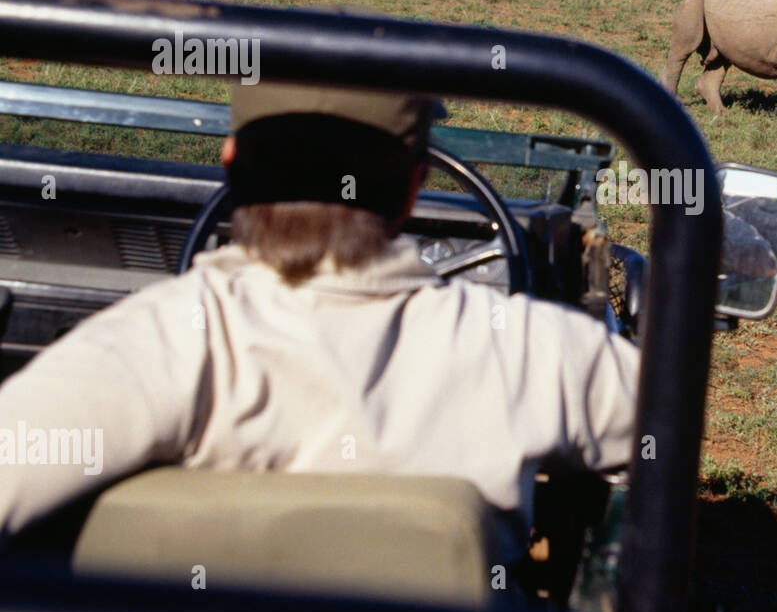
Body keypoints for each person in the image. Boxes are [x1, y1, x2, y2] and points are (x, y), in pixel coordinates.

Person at [0, 81, 641, 574]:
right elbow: (662, 424)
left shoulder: (160, 342)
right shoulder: (532, 350)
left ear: (230, 163)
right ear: (415, 186)